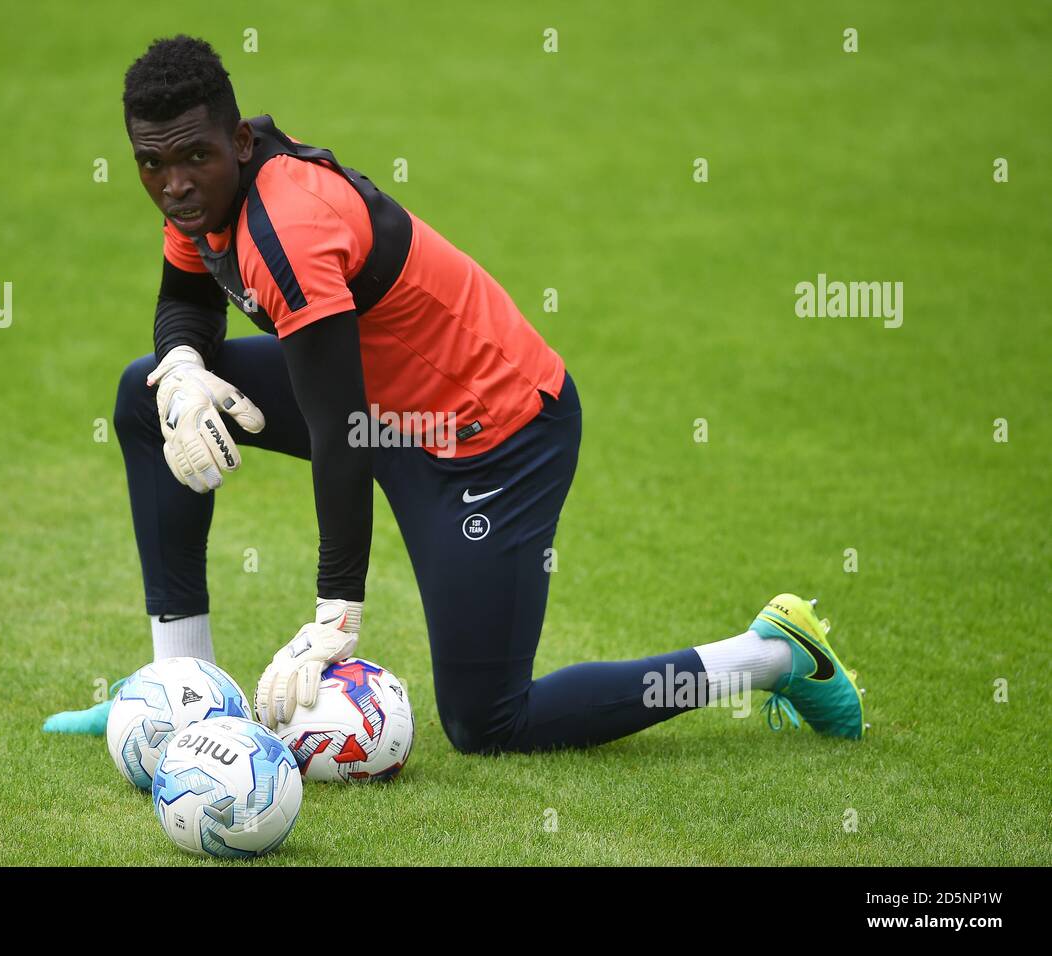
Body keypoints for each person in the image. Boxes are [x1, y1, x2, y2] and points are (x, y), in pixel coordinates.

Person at [43, 35, 866, 751]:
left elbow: (341, 430)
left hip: (497, 434)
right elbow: (188, 299)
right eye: (152, 164)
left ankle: (774, 655)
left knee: (488, 723)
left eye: (194, 158)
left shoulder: (286, 228)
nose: (174, 184)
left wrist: (336, 618)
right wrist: (184, 367)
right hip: (388, 410)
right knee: (143, 396)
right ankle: (180, 697)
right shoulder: (202, 200)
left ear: (240, 139)